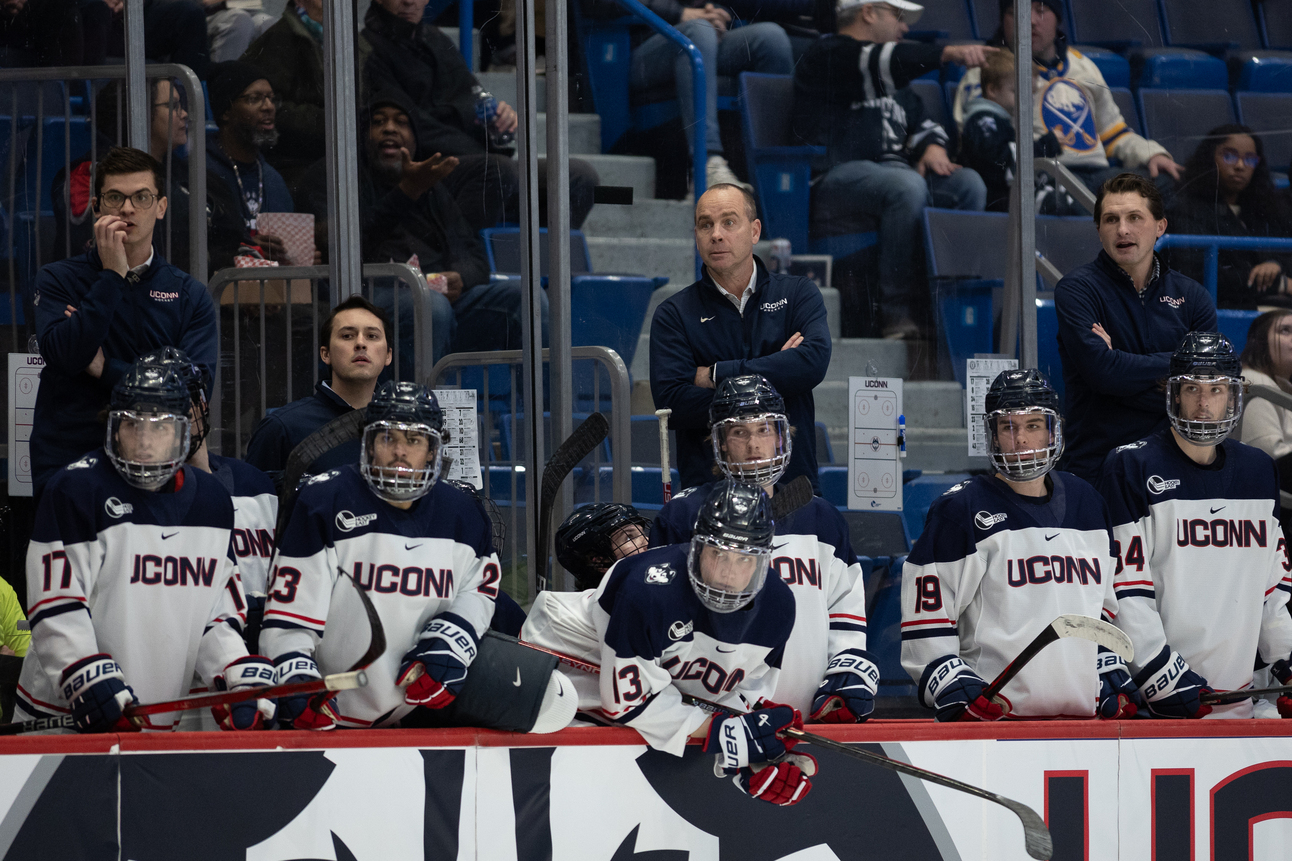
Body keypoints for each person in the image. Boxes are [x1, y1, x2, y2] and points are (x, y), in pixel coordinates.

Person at [522, 480, 818, 806]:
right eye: (718, 553)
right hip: (561, 663)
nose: (727, 573)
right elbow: (628, 704)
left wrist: (748, 758)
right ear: (697, 546)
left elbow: (726, 700)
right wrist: (726, 735)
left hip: (645, 693)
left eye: (744, 559)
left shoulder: (779, 607)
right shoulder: (648, 588)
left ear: (764, 561)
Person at [14, 362, 274, 732]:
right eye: (133, 425)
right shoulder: (75, 490)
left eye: (161, 427)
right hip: (66, 712)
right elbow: (57, 603)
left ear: (183, 432)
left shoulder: (212, 502)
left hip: (156, 714)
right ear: (113, 427)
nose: (146, 442)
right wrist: (85, 678)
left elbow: (214, 616)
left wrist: (234, 673)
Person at [262, 381, 502, 729]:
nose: (400, 451)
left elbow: (480, 587)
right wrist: (295, 670)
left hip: (418, 711)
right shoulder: (324, 499)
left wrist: (452, 638)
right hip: (325, 714)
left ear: (433, 450)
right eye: (388, 438)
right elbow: (290, 611)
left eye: (414, 440)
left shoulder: (462, 512)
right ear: (369, 444)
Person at [901, 369, 1136, 721]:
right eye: (1008, 427)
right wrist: (949, 682)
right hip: (993, 722)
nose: (1021, 440)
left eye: (1032, 426)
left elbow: (1101, 608)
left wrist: (1106, 669)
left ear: (1053, 430)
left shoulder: (1088, 502)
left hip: (1082, 723)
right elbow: (927, 617)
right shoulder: (959, 510)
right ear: (993, 436)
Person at [649, 375, 874, 721]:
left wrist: (845, 677)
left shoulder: (820, 517)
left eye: (764, 430)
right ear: (720, 442)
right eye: (739, 432)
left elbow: (845, 609)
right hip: (716, 722)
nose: (754, 444)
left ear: (782, 437)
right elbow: (662, 621)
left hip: (812, 718)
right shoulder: (684, 515)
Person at [1098, 332, 1292, 719]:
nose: (1204, 404)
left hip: (1240, 701)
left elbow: (1274, 590)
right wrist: (1158, 673)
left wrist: (1284, 660)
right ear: (1173, 394)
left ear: (1235, 395)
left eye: (1217, 390)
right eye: (1192, 389)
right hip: (1162, 706)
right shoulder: (1132, 467)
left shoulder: (1257, 470)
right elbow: (1123, 590)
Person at [792, 0, 990, 340]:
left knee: (968, 185)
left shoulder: (893, 77)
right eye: (897, 16)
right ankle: (895, 313)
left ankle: (952, 312)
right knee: (907, 186)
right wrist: (945, 54)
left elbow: (923, 121)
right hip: (833, 181)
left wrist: (932, 145)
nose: (905, 27)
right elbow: (881, 63)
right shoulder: (828, 53)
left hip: (894, 180)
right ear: (868, 12)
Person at [30, 146, 218, 500]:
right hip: (70, 460)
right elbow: (66, 355)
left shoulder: (189, 294)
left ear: (160, 207)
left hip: (159, 463)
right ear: (97, 206)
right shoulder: (57, 279)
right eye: (115, 197)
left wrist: (106, 370)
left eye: (141, 197)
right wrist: (113, 274)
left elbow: (192, 391)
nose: (128, 208)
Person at [650, 184, 831, 491]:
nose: (716, 234)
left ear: (755, 231)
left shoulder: (798, 293)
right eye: (706, 224)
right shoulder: (674, 314)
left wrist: (717, 373)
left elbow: (811, 363)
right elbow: (674, 403)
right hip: (709, 495)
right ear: (696, 235)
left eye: (729, 222)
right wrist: (778, 375)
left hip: (792, 488)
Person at [361, 0, 598, 232]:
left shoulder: (436, 39)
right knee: (496, 170)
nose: (408, 2)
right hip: (425, 168)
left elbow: (473, 98)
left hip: (476, 163)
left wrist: (495, 123)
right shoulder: (367, 50)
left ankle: (548, 268)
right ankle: (465, 262)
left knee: (577, 176)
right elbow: (410, 128)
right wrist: (473, 139)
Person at [1054, 172, 1217, 481]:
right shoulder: (1076, 290)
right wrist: (1182, 367)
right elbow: (1103, 374)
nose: (1123, 229)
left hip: (1179, 464)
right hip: (1098, 467)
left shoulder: (1193, 296)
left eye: (1134, 217)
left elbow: (1207, 390)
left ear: (1160, 227)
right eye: (1111, 219)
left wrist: (1119, 367)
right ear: (1099, 230)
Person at [952, 0, 1183, 196]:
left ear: (1058, 18)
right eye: (1016, 12)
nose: (1030, 20)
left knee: (1164, 182)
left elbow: (1114, 135)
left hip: (1099, 177)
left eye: (1041, 10)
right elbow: (983, 150)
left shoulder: (1084, 67)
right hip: (1047, 177)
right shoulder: (984, 73)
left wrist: (1151, 154)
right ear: (1004, 20)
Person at [139, 346, 277, 648]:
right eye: (160, 416)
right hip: (184, 658)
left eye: (181, 410)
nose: (174, 429)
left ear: (202, 405)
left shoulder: (255, 483)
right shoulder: (135, 502)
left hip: (260, 655)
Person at [613, 0, 792, 189]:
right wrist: (680, 13)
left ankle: (775, 179)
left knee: (771, 38)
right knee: (698, 30)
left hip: (699, 34)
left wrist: (715, 12)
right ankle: (708, 164)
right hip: (633, 48)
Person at [244, 295, 393, 489]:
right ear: (326, 354)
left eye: (372, 336)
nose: (360, 343)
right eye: (347, 335)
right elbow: (254, 509)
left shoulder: (403, 427)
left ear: (388, 355)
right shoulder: (282, 429)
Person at [241, 0, 363, 196]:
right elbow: (269, 110)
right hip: (296, 163)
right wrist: (332, 122)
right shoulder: (279, 40)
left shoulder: (354, 41)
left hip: (342, 157)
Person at [1166, 125, 1292, 310]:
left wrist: (1275, 263)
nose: (1240, 166)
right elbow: (1197, 274)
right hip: (1223, 308)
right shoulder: (1186, 208)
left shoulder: (1265, 208)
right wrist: (1280, 283)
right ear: (1209, 158)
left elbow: (1284, 253)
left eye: (1250, 159)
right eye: (1229, 156)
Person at [205, 60, 299, 266]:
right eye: (255, 99)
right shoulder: (201, 171)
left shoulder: (273, 179)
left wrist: (300, 260)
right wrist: (247, 248)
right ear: (226, 111)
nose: (269, 107)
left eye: (271, 99)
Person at [958, 49, 1061, 213]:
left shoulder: (1000, 120)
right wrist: (1044, 146)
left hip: (1010, 197)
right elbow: (1000, 160)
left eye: (1031, 93)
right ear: (992, 90)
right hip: (996, 201)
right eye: (1018, 91)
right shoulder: (983, 120)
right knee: (1062, 204)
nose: (1027, 99)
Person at [554, 502, 652, 591]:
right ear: (599, 562)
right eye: (629, 538)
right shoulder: (579, 610)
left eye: (643, 533)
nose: (647, 541)